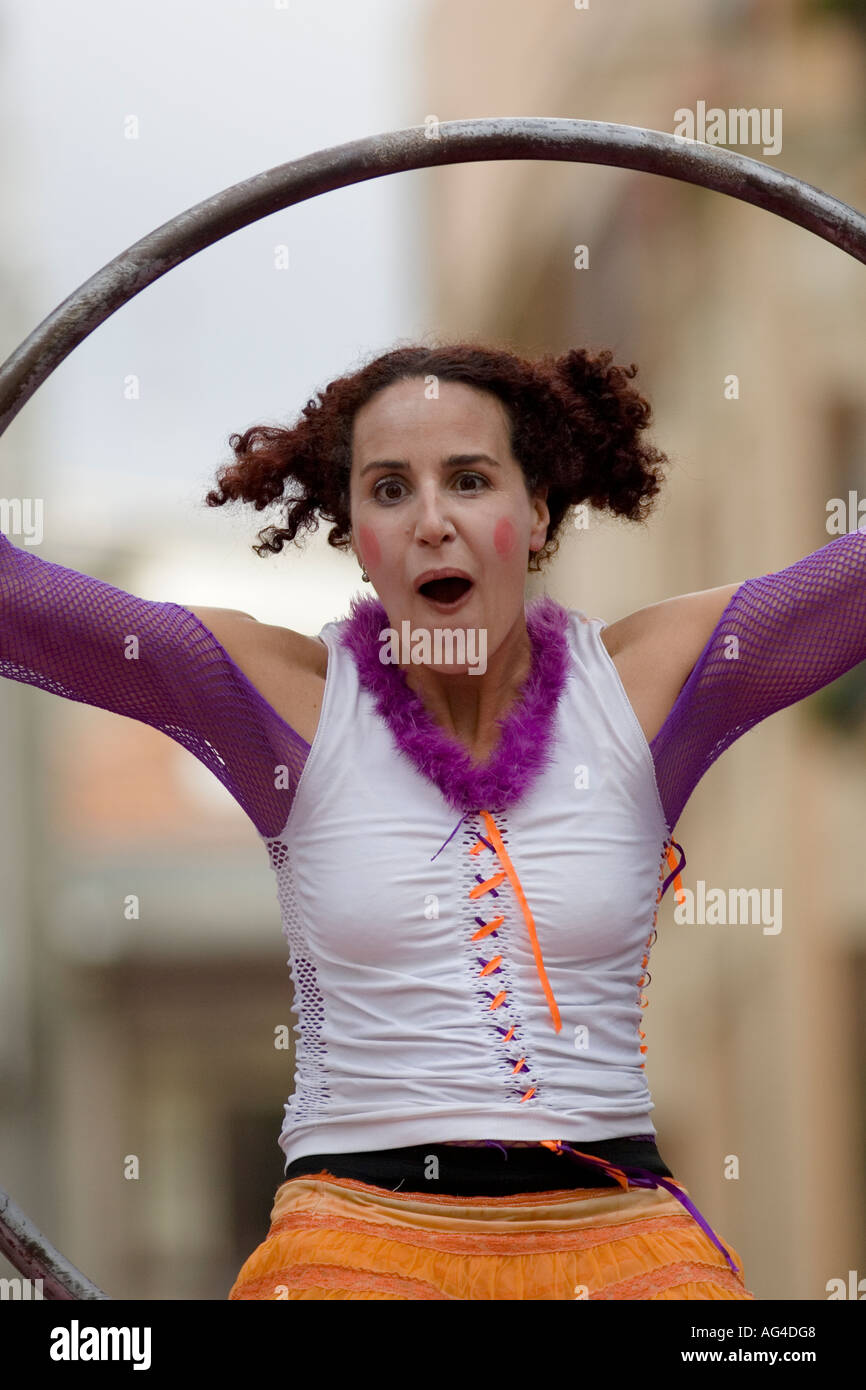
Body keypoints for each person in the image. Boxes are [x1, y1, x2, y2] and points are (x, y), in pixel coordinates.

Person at [1, 341, 864, 1300]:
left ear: (536, 513)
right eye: (389, 490)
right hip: (356, 1243)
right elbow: (20, 607)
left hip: (620, 1233)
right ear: (357, 536)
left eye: (469, 479)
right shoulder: (282, 700)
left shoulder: (643, 687)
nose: (433, 522)